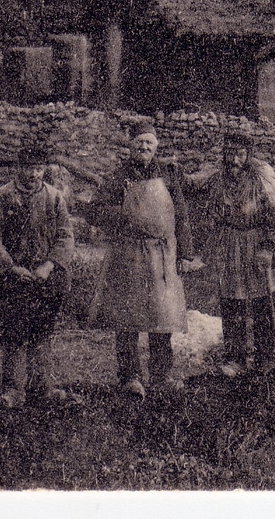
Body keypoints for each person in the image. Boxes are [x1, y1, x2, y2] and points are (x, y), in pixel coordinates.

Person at [80, 120, 195, 398]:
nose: (143, 147)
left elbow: (181, 214)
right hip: (128, 253)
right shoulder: (119, 175)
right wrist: (124, 215)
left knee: (162, 317)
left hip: (162, 254)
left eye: (148, 143)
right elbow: (95, 211)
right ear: (131, 146)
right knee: (127, 317)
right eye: (139, 142)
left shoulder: (168, 175)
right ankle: (130, 376)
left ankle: (161, 374)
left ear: (156, 147)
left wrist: (186, 254)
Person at [0, 148, 76, 408]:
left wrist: (49, 265)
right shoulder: (1, 197)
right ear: (19, 167)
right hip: (13, 279)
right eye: (29, 167)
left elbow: (65, 236)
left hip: (46, 279)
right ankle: (12, 391)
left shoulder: (55, 198)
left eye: (39, 168)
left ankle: (41, 389)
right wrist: (11, 268)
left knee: (42, 333)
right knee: (14, 334)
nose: (34, 174)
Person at [210, 134, 275, 376]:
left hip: (258, 242)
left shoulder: (261, 175)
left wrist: (268, 248)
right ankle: (235, 359)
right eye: (230, 153)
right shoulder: (221, 177)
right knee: (231, 300)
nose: (234, 160)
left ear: (249, 155)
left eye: (240, 154)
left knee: (261, 303)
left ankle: (267, 358)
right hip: (231, 244)